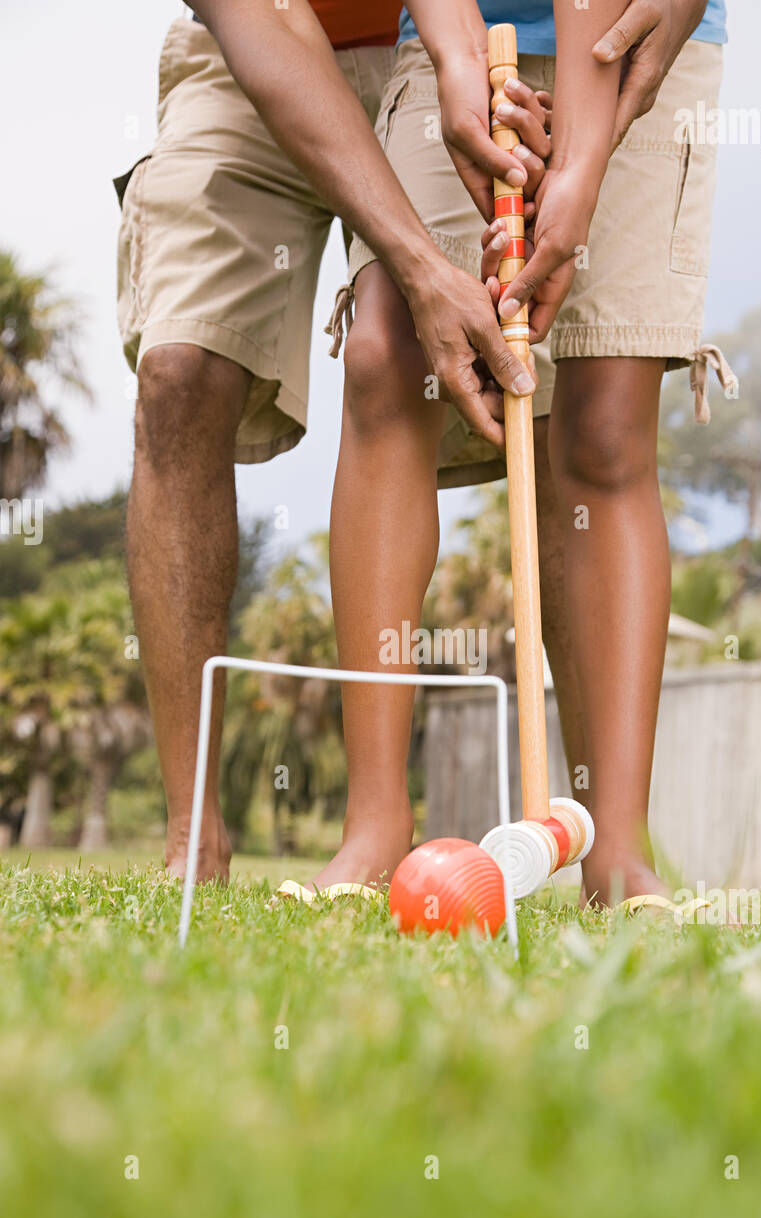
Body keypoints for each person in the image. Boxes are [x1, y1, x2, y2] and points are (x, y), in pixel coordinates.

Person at [308, 0, 737, 907]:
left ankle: (616, 851)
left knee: (605, 427)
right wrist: (461, 65)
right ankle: (375, 828)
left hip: (640, 35)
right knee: (385, 359)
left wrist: (583, 164)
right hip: (451, 45)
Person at [116, 1, 539, 882]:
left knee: (401, 359)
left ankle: (387, 824)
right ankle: (193, 840)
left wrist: (462, 60)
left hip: (430, 47)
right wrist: (420, 263)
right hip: (249, 53)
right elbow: (266, 19)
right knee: (178, 372)